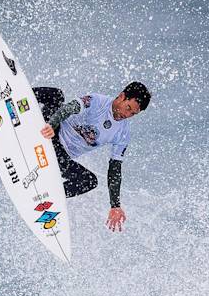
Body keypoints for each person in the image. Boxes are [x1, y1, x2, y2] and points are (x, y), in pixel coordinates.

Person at [33, 82, 151, 232]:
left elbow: (115, 169)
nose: (127, 115)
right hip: (51, 131)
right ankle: (14, 98)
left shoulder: (123, 133)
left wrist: (115, 205)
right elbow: (70, 108)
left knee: (89, 181)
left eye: (133, 114)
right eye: (128, 108)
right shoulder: (97, 101)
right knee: (56, 95)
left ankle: (47, 196)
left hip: (60, 156)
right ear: (122, 96)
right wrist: (52, 124)